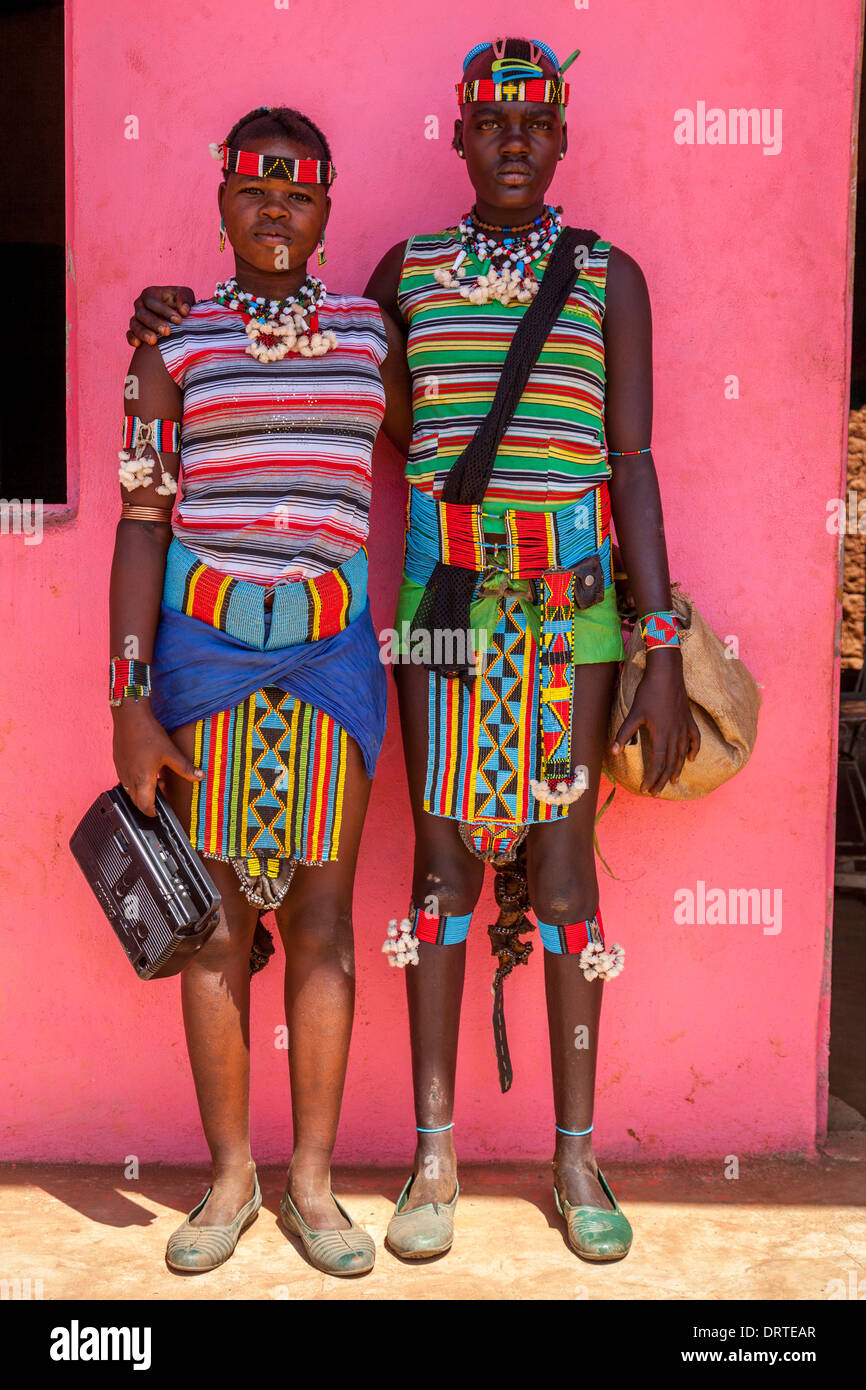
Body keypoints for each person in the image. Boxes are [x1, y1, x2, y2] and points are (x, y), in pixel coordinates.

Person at [127, 37, 699, 1266]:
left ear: (561, 138)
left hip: (577, 608)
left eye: (532, 123)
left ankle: (573, 1153)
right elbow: (321, 378)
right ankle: (430, 1158)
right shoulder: (404, 276)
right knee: (438, 873)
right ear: (455, 135)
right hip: (440, 599)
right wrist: (165, 323)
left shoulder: (607, 277)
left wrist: (659, 644)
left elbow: (632, 465)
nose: (510, 141)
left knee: (561, 878)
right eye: (488, 123)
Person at [111, 103, 411, 1276]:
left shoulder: (371, 337)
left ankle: (315, 1184)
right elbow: (141, 523)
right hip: (204, 664)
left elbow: (451, 442)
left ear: (328, 205)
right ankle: (231, 1180)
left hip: (332, 661)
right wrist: (128, 692)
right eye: (252, 189)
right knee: (216, 929)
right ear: (220, 201)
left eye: (296, 191)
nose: (274, 208)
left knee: (325, 925)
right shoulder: (170, 349)